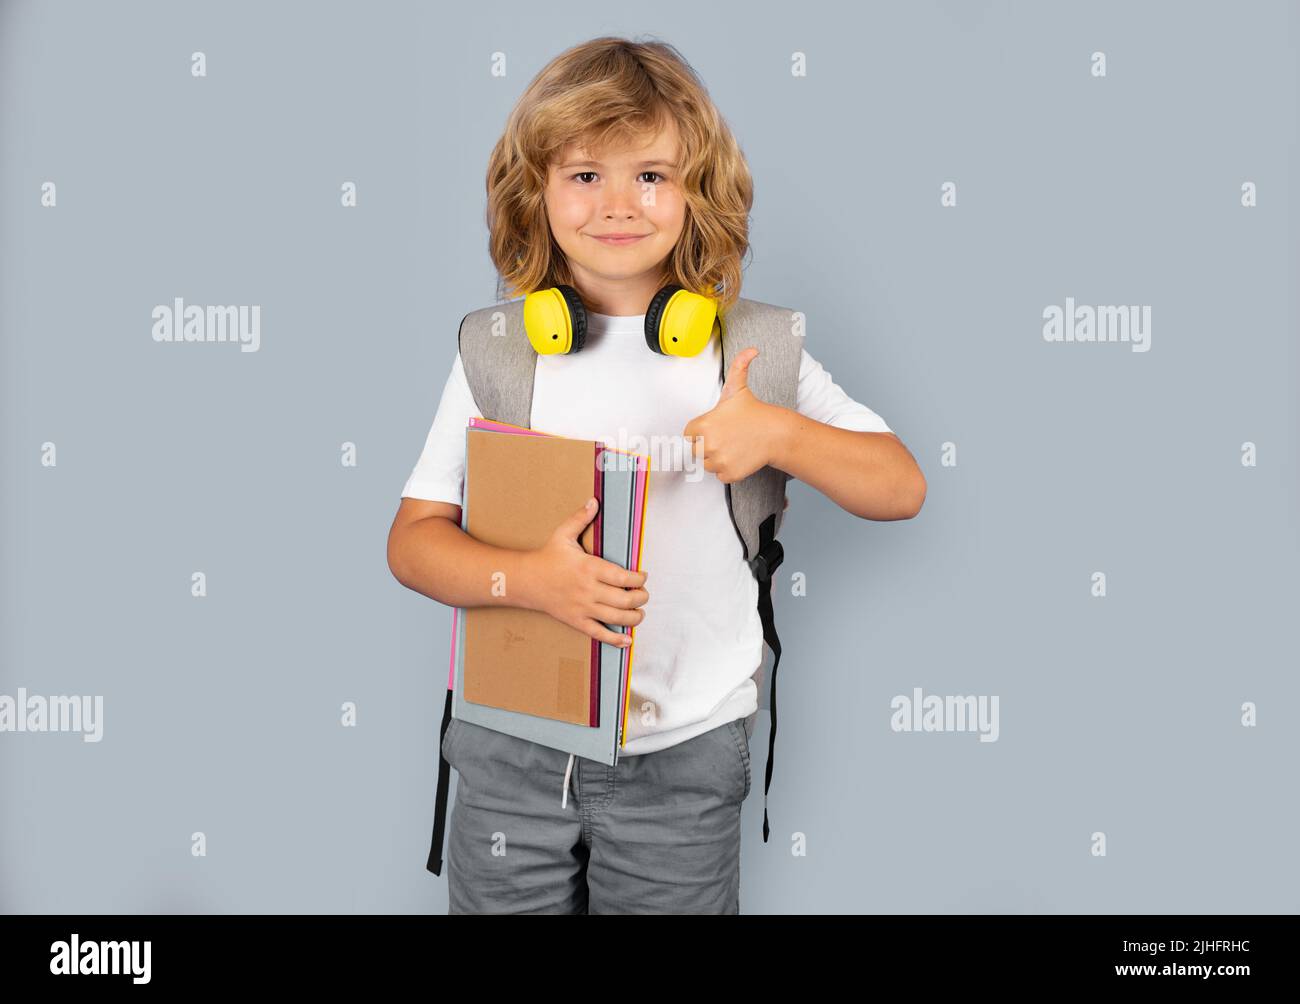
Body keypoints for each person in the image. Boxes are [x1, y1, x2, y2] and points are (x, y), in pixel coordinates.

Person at [387, 35, 926, 914]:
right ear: (537, 194)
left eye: (650, 175)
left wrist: (780, 435)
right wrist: (529, 582)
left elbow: (902, 488)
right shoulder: (499, 351)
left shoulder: (751, 351)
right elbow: (411, 545)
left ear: (697, 192)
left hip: (684, 762)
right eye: (584, 175)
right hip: (512, 756)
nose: (617, 204)